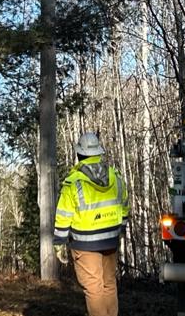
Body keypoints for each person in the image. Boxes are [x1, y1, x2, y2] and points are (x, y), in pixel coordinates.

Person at [53, 132, 129, 316]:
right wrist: (121, 230)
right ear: (99, 153)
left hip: (85, 242)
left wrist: (59, 243)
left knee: (93, 287)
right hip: (110, 239)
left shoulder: (73, 181)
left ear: (79, 154)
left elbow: (64, 215)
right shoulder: (115, 176)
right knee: (109, 283)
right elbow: (124, 206)